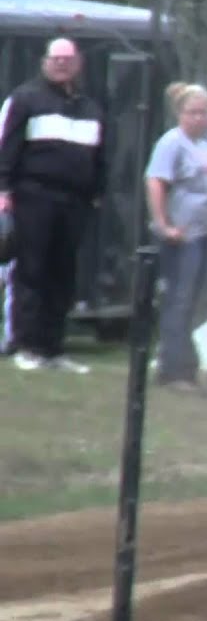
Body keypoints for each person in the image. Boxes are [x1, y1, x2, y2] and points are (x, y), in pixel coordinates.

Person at [0, 37, 107, 373]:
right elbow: (8, 146)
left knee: (63, 273)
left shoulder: (91, 108)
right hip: (33, 196)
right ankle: (26, 345)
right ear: (45, 62)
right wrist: (4, 190)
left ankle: (52, 347)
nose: (61, 64)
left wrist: (96, 193)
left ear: (78, 63)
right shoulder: (26, 99)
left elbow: (101, 156)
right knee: (32, 269)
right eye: (55, 58)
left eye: (68, 58)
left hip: (74, 201)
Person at [145, 81, 207, 390]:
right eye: (192, 113)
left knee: (193, 302)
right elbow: (155, 182)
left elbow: (206, 189)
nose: (199, 118)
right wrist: (163, 224)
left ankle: (184, 365)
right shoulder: (172, 143)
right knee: (178, 301)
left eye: (203, 113)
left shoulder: (204, 145)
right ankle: (173, 371)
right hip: (182, 237)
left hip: (205, 232)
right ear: (179, 114)